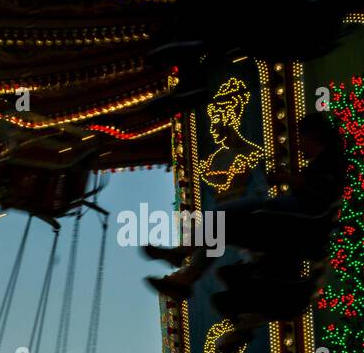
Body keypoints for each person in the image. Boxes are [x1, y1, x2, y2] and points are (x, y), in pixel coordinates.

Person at [146, 112, 345, 309]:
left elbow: (323, 190)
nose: (299, 144)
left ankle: (185, 259)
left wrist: (286, 179)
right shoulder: (321, 163)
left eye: (301, 138)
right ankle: (186, 276)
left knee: (223, 216)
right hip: (296, 223)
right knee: (223, 227)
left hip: (306, 221)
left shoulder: (331, 159)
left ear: (313, 135)